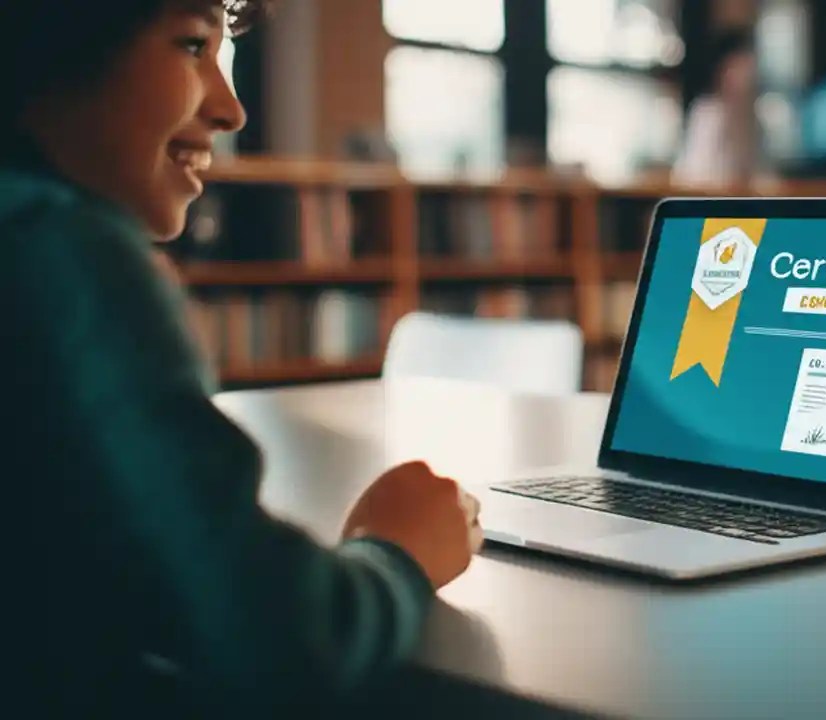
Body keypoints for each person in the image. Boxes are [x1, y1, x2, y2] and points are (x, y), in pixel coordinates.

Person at [1, 1, 482, 714]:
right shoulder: (65, 254)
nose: (231, 109)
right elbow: (285, 643)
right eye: (192, 44)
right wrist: (397, 554)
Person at [672, 30, 767, 188]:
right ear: (722, 71)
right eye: (739, 67)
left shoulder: (755, 120)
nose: (747, 77)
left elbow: (765, 177)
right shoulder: (707, 114)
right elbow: (694, 176)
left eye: (750, 68)